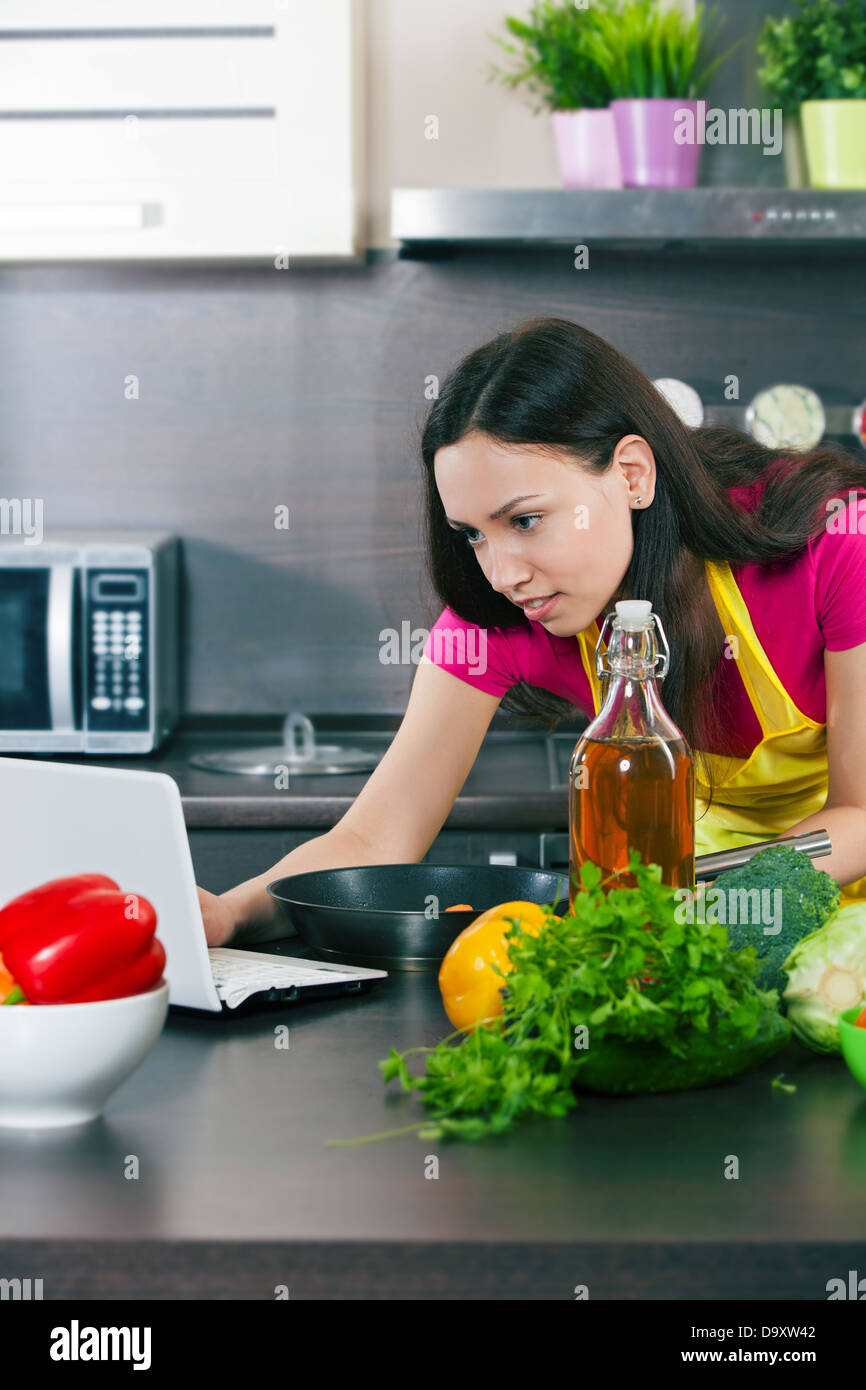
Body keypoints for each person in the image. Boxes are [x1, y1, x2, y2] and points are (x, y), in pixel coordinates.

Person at [198, 316, 866, 946]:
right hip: (687, 909)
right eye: (473, 535)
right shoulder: (500, 618)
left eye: (524, 521)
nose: (501, 575)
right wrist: (229, 913)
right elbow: (375, 840)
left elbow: (860, 816)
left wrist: (704, 907)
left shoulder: (836, 548)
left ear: (631, 474)